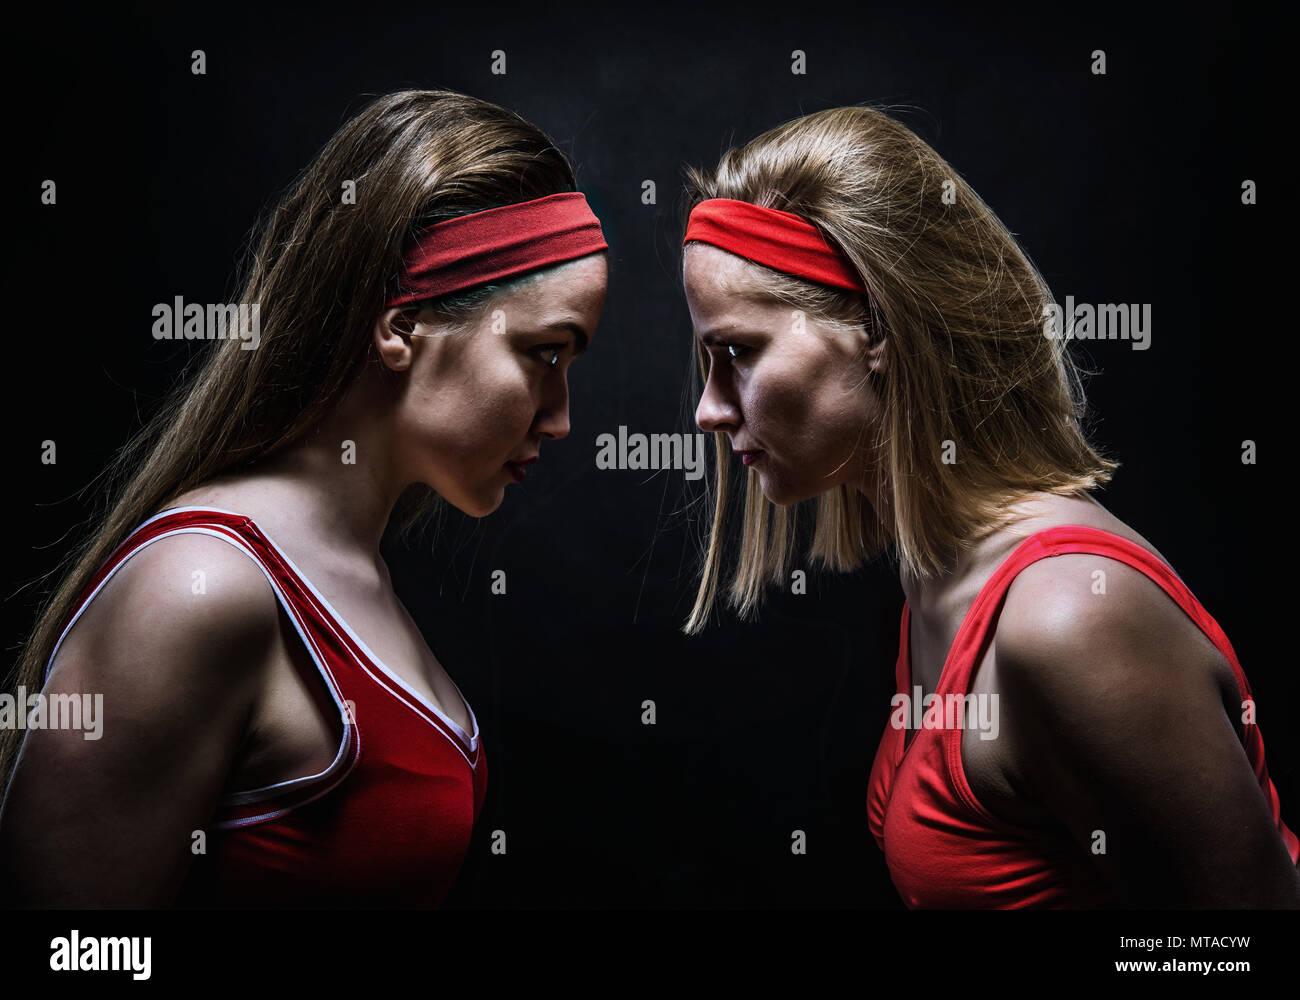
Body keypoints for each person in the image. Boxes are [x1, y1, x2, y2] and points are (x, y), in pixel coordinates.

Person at [678, 105, 1300, 907]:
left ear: (879, 327)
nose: (708, 409)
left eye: (738, 354)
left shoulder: (1067, 620)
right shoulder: (940, 575)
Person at [0, 89, 609, 907]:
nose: (563, 417)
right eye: (544, 354)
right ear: (402, 328)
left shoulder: (356, 578)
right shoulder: (198, 587)